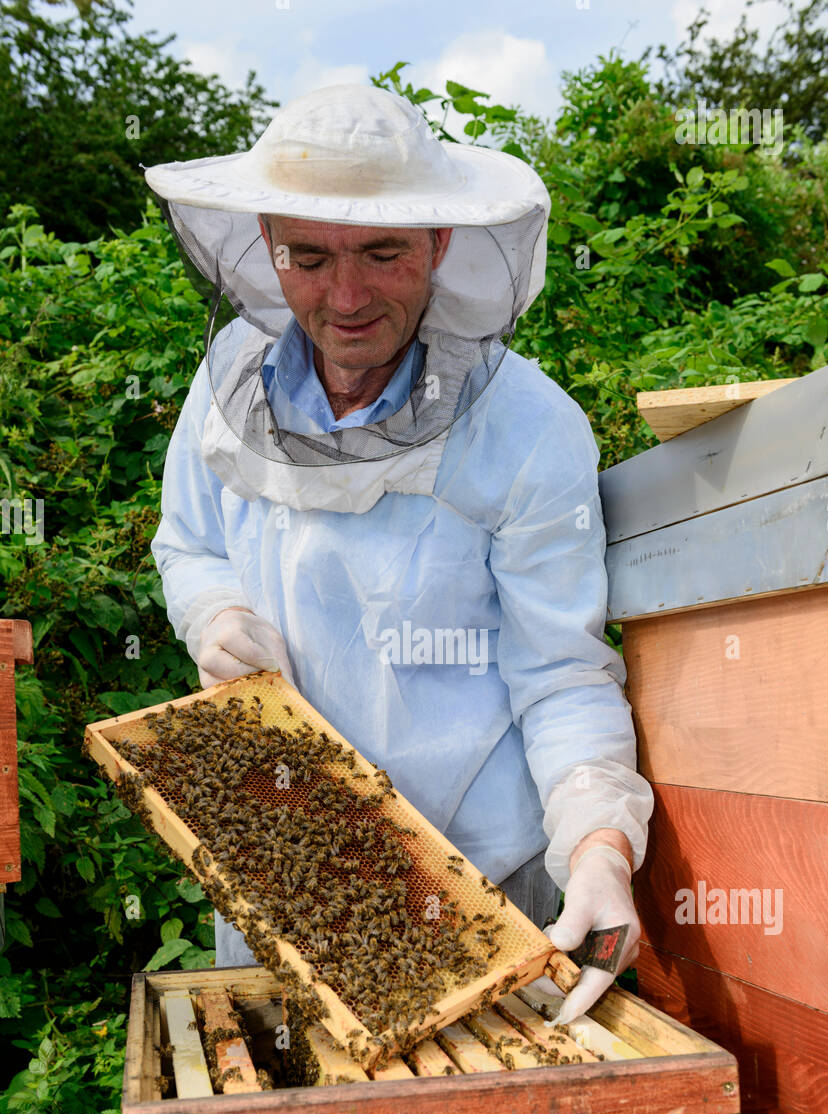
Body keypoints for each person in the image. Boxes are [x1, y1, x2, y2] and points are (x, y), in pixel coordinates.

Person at [146, 84, 654, 1024]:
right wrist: (213, 613)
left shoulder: (529, 429)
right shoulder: (220, 394)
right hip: (278, 869)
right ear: (268, 243)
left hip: (480, 892)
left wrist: (596, 848)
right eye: (309, 257)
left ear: (439, 244)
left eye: (382, 253)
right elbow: (188, 544)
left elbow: (560, 675)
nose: (345, 298)